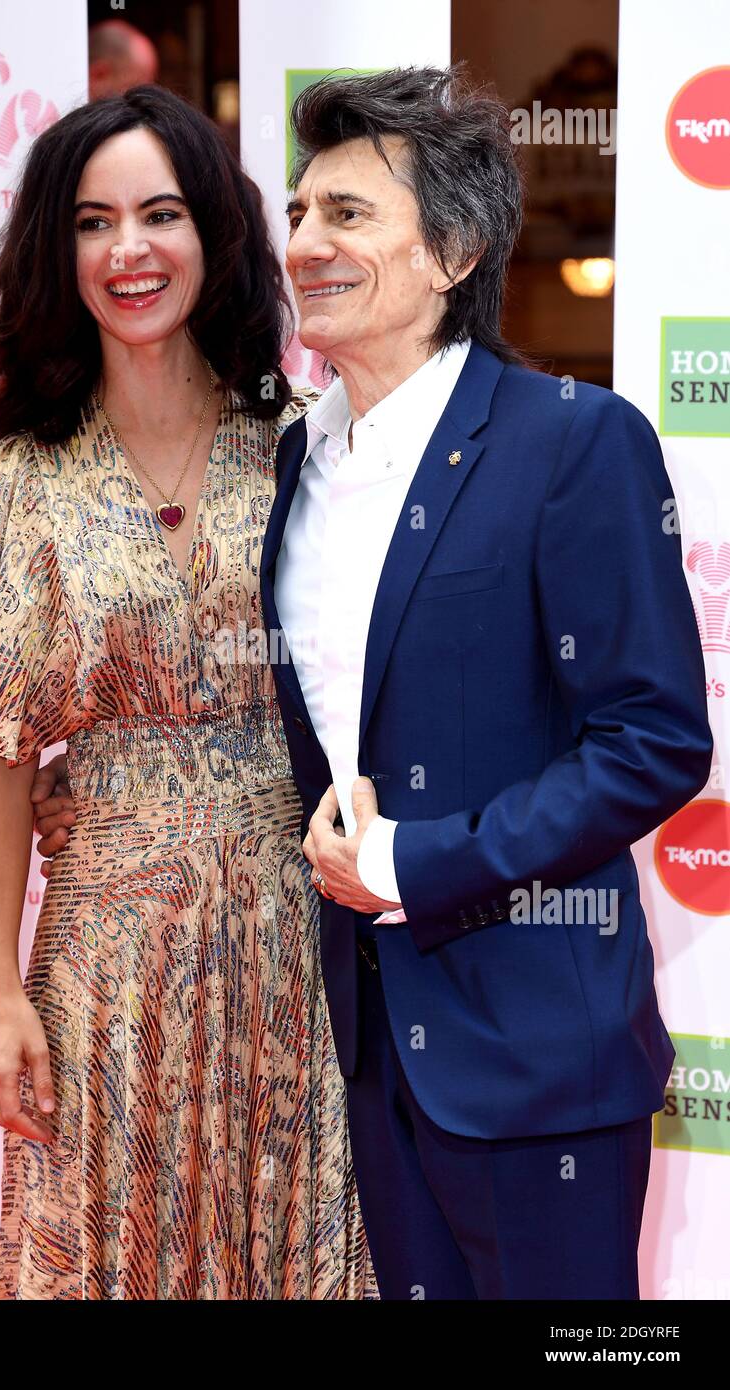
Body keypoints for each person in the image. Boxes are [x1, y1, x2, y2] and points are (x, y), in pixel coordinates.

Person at [39, 64, 713, 1301]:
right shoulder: (300, 458)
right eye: (298, 214)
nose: (305, 243)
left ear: (452, 251)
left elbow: (654, 740)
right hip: (362, 1057)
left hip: (535, 1058)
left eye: (348, 214)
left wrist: (421, 862)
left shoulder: (573, 441)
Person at [0, 87, 376, 1300]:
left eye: (160, 213)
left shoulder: (302, 444)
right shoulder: (21, 479)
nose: (129, 250)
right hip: (101, 955)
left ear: (215, 234)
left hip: (295, 929)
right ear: (56, 251)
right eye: (92, 221)